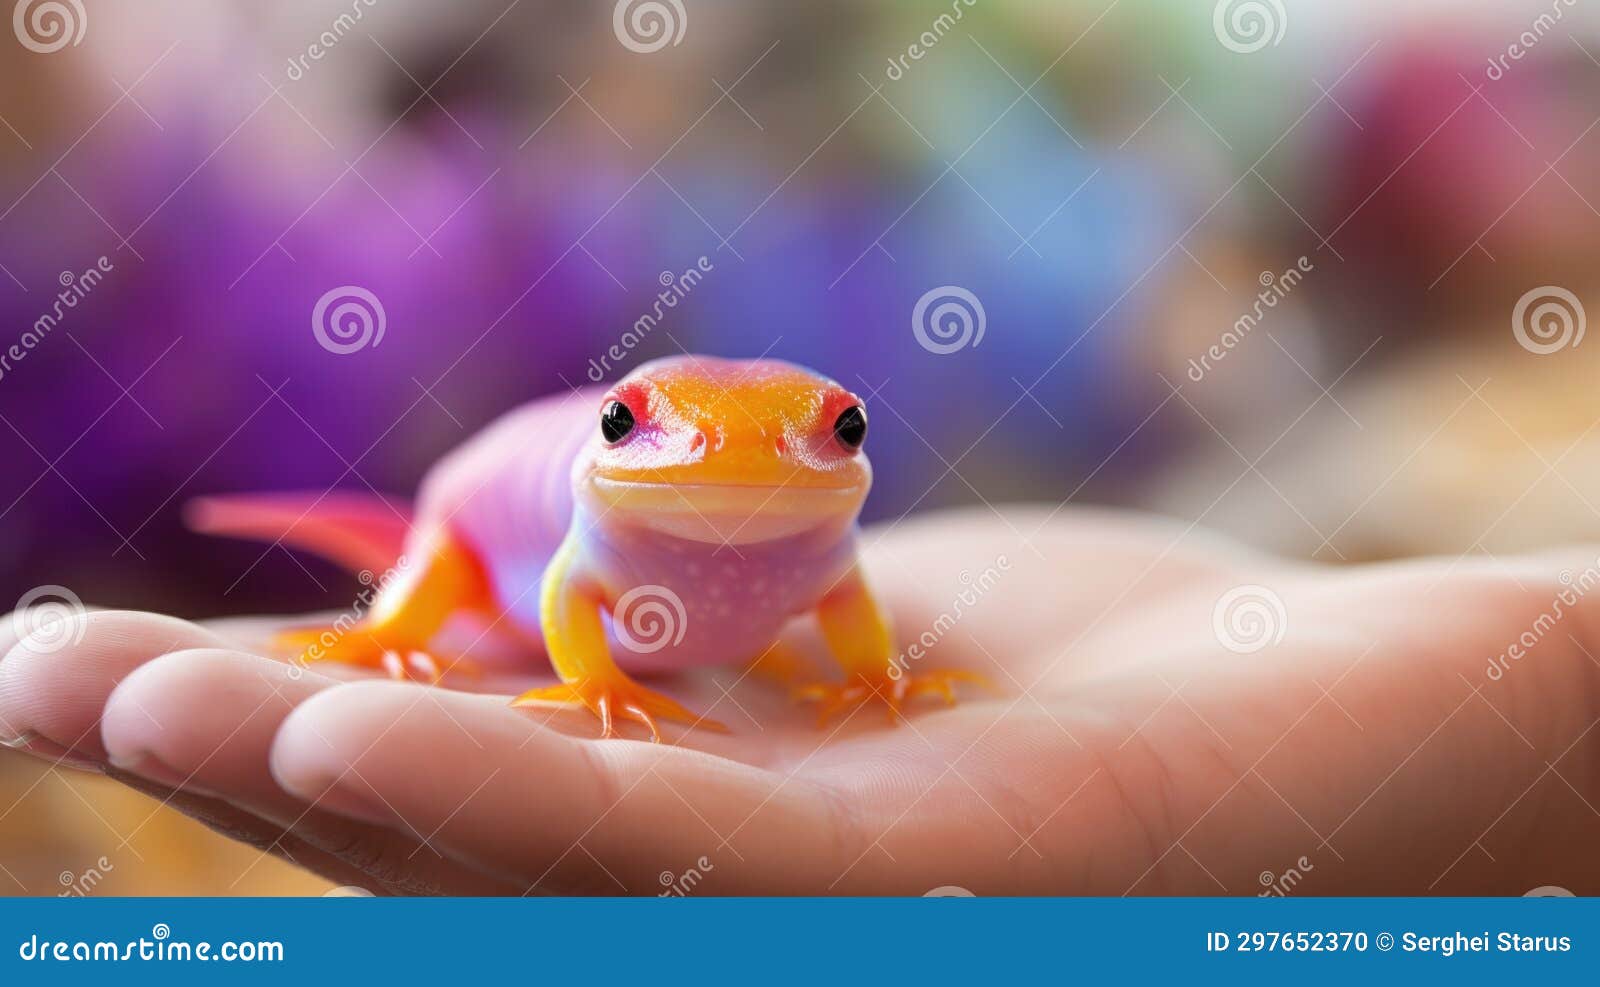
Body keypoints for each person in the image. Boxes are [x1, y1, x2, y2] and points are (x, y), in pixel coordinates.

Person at [1, 508, 1594, 896]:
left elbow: (836, 601)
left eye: (831, 427)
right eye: (651, 429)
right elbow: (554, 587)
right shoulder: (582, 529)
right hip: (481, 553)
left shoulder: (825, 554)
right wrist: (576, 676)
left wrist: (1545, 674)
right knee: (426, 608)